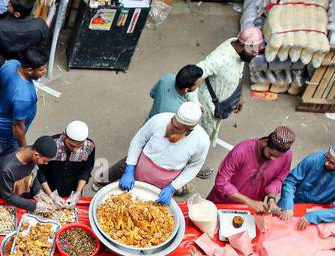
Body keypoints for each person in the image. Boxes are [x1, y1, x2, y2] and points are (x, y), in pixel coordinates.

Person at [0, 0, 51, 131]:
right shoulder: (41, 26)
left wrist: (6, 73)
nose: (7, 5)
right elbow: (41, 52)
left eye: (9, 4)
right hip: (24, 77)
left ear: (16, 13)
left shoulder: (3, 26)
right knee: (13, 107)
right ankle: (1, 128)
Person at [194, 28, 264, 161]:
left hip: (221, 104)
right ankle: (194, 164)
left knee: (207, 135)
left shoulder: (236, 46)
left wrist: (240, 95)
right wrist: (194, 102)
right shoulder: (220, 59)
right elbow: (197, 72)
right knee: (199, 138)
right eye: (253, 52)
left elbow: (240, 72)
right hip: (207, 108)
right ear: (243, 45)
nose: (255, 55)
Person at [119, 102, 209, 202]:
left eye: (177, 129)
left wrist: (173, 187)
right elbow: (138, 141)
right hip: (140, 171)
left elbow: (195, 166)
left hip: (165, 182)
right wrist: (129, 169)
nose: (171, 128)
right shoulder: (158, 120)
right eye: (172, 123)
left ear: (189, 130)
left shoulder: (202, 141)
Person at [277, 137, 335, 228]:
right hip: (291, 201)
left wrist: (313, 216)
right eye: (327, 158)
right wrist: (288, 205)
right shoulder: (314, 159)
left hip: (318, 210)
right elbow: (290, 181)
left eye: (332, 163)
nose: (326, 163)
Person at [208, 128, 295, 210]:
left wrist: (271, 198)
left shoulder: (287, 156)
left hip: (252, 208)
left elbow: (278, 179)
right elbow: (221, 182)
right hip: (223, 203)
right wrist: (248, 201)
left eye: (277, 157)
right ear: (265, 142)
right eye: (270, 153)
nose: (273, 159)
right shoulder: (242, 150)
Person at [0, 47, 47, 153]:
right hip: (8, 134)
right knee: (3, 156)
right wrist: (23, 148)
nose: (44, 72)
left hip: (0, 116)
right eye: (41, 70)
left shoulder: (11, 64)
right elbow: (17, 127)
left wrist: (1, 94)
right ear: (29, 70)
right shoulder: (24, 97)